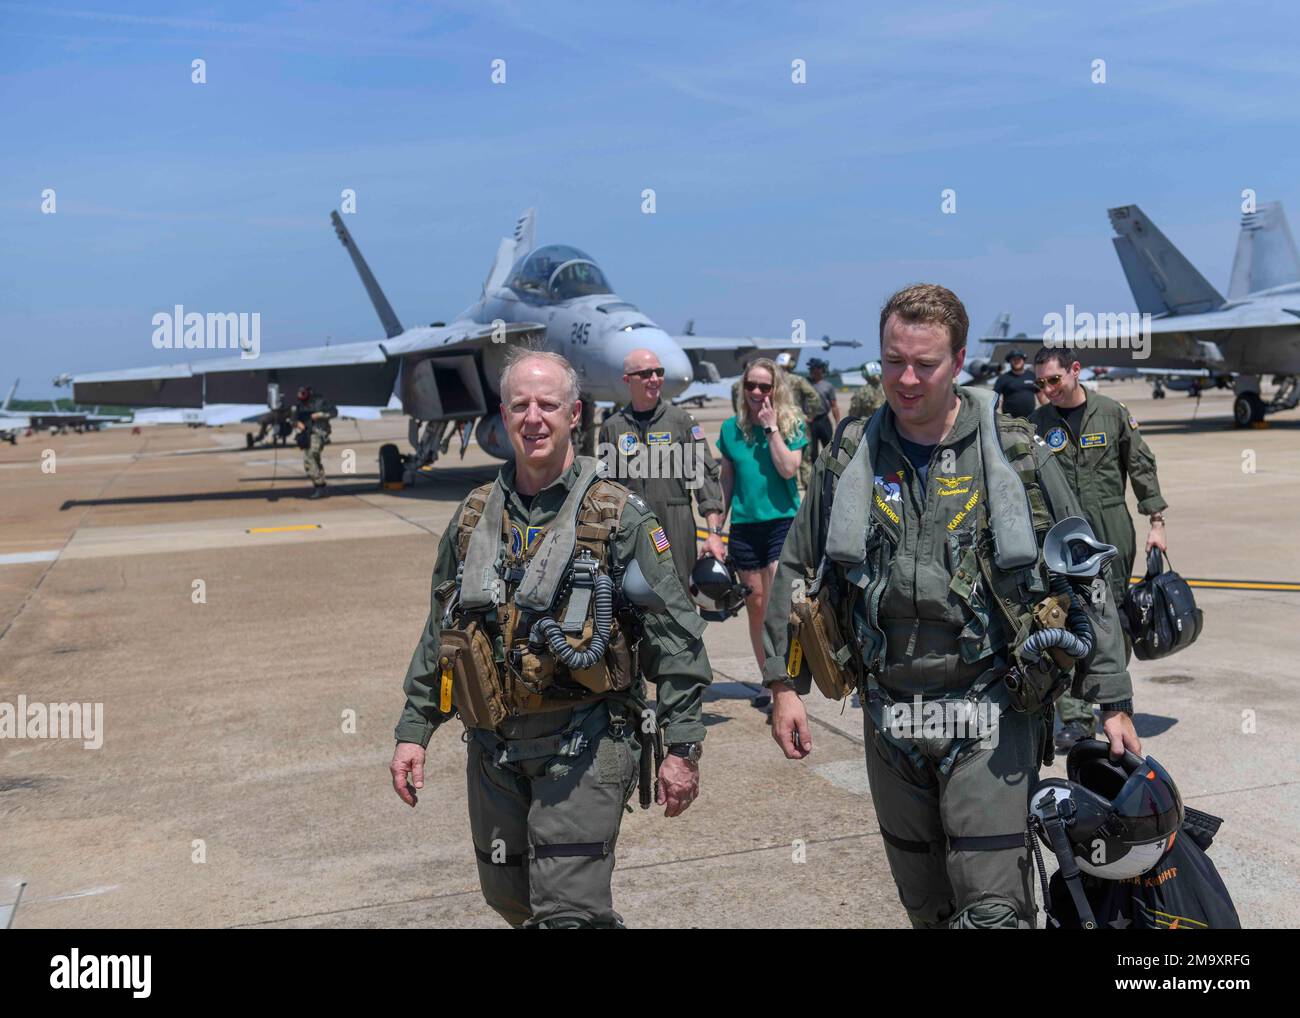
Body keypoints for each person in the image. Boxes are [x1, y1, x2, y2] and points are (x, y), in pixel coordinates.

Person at [762, 284, 1140, 929]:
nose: (905, 380)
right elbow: (796, 565)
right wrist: (782, 684)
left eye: (925, 364)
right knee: (926, 905)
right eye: (892, 362)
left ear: (959, 360)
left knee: (993, 910)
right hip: (889, 712)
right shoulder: (851, 454)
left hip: (989, 709)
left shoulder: (1015, 453)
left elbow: (1085, 571)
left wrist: (1111, 699)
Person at [389, 350, 711, 928]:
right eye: (520, 405)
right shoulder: (473, 518)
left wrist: (681, 747)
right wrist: (415, 732)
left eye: (548, 404)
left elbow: (677, 639)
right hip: (494, 748)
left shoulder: (620, 518)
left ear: (575, 414)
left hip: (586, 744)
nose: (533, 417)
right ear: (504, 415)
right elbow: (441, 632)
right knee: (510, 899)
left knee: (568, 914)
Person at [1031, 347, 1168, 751]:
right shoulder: (1035, 424)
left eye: (1054, 380)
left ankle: (1113, 700)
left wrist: (1156, 522)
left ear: (1075, 371)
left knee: (1113, 619)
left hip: (1110, 529)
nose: (1048, 389)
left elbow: (1141, 465)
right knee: (1066, 620)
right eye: (1040, 383)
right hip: (1060, 537)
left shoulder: (1112, 413)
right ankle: (1073, 717)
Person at [598, 348, 726, 595]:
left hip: (676, 521)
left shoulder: (682, 423)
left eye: (659, 372)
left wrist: (714, 534)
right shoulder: (612, 428)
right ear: (627, 380)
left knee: (680, 598)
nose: (655, 379)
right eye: (646, 373)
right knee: (632, 599)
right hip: (630, 527)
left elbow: (706, 482)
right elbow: (605, 490)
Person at [718, 357, 808, 708]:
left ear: (776, 389)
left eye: (764, 386)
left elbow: (788, 470)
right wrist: (715, 528)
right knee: (755, 605)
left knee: (778, 603)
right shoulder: (731, 429)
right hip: (744, 525)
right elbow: (727, 480)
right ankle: (768, 679)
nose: (756, 392)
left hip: (781, 522)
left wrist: (771, 428)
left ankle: (785, 675)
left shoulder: (792, 423)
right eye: (750, 385)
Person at [732, 352, 821, 489]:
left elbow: (737, 401)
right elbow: (813, 396)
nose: (757, 391)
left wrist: (742, 414)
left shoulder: (742, 384)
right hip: (789, 420)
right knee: (804, 460)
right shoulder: (797, 379)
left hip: (757, 421)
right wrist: (809, 415)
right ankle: (808, 488)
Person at [294, 385, 337, 498]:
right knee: (313, 460)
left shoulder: (320, 402)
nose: (300, 396)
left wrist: (320, 415)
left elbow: (334, 412)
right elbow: (293, 419)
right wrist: (297, 423)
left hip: (319, 432)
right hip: (307, 433)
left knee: (311, 457)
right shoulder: (300, 406)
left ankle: (319, 485)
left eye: (303, 393)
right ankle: (320, 485)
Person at [806, 357, 841, 464]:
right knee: (812, 451)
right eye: (810, 369)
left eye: (814, 368)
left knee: (829, 447)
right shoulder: (806, 384)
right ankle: (815, 474)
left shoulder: (828, 386)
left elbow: (834, 405)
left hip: (823, 420)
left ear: (820, 370)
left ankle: (829, 472)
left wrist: (837, 422)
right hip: (810, 422)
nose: (811, 371)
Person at [993, 349, 1039, 419]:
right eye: (1014, 359)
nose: (1016, 361)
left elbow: (1041, 395)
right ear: (1009, 361)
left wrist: (1051, 410)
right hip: (1009, 420)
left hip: (1031, 418)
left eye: (1019, 359)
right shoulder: (1002, 378)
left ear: (1023, 360)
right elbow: (994, 398)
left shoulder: (1032, 376)